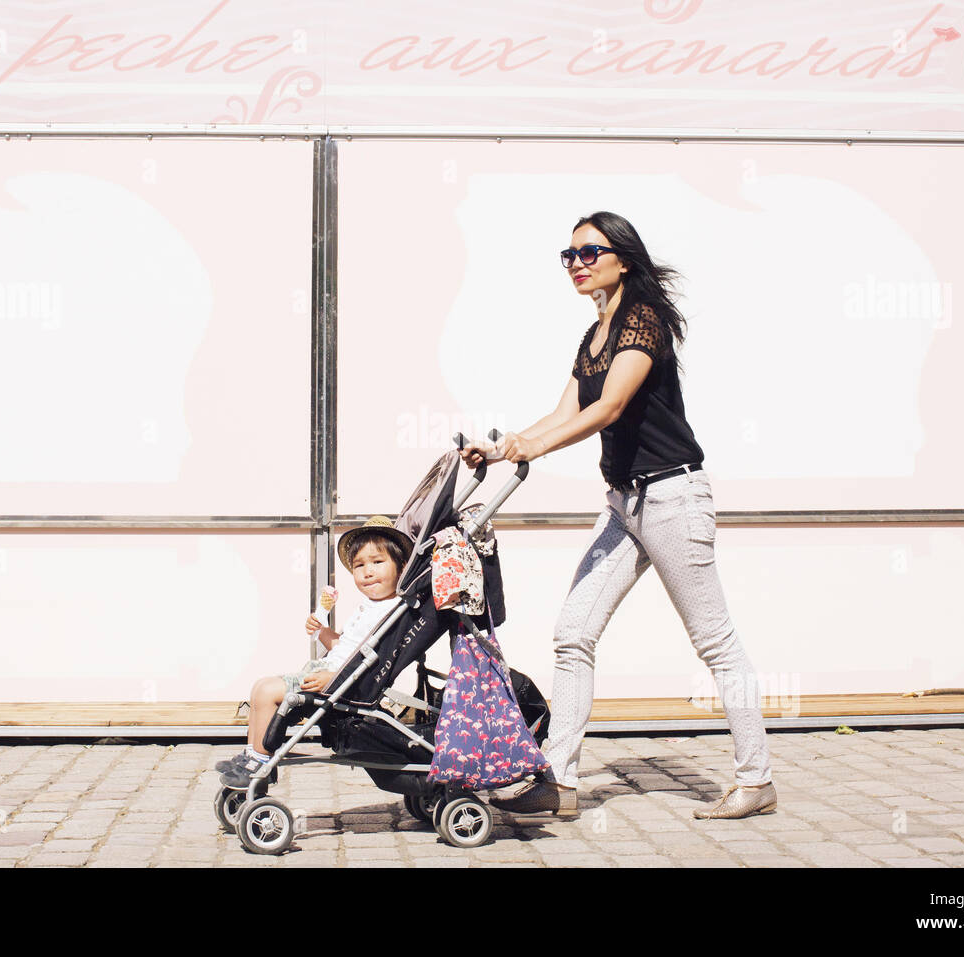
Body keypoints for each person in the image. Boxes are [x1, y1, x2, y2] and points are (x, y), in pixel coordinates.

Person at [459, 211, 776, 820]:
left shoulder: (643, 320)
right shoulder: (593, 335)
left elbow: (609, 407)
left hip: (674, 498)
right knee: (573, 633)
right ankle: (559, 780)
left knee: (716, 643)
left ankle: (755, 780)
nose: (577, 263)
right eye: (569, 255)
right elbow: (564, 411)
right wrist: (504, 447)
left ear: (622, 258)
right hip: (625, 504)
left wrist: (535, 447)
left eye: (589, 251)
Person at [217, 515, 412, 788]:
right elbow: (346, 647)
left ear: (401, 567)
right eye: (359, 565)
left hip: (340, 683)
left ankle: (258, 762)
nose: (368, 572)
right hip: (330, 673)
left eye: (378, 562)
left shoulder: (392, 611)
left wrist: (334, 678)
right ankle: (253, 755)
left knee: (265, 691)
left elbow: (374, 662)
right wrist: (322, 631)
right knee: (261, 687)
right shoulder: (368, 607)